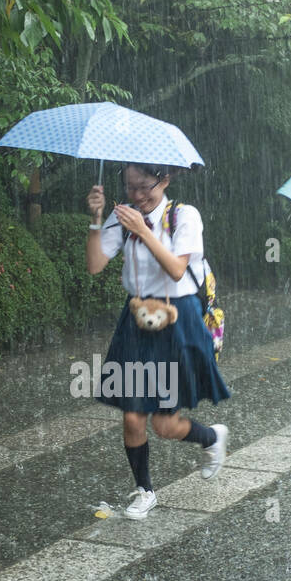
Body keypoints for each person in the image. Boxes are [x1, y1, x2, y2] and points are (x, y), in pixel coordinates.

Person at [86, 163, 231, 519]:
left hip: (176, 321)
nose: (136, 195)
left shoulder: (184, 216)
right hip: (137, 321)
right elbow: (94, 265)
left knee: (165, 426)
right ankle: (144, 490)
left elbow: (177, 269)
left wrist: (143, 230)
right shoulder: (121, 217)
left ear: (164, 180)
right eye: (130, 187)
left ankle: (212, 438)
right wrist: (96, 218)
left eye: (144, 187)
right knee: (133, 416)